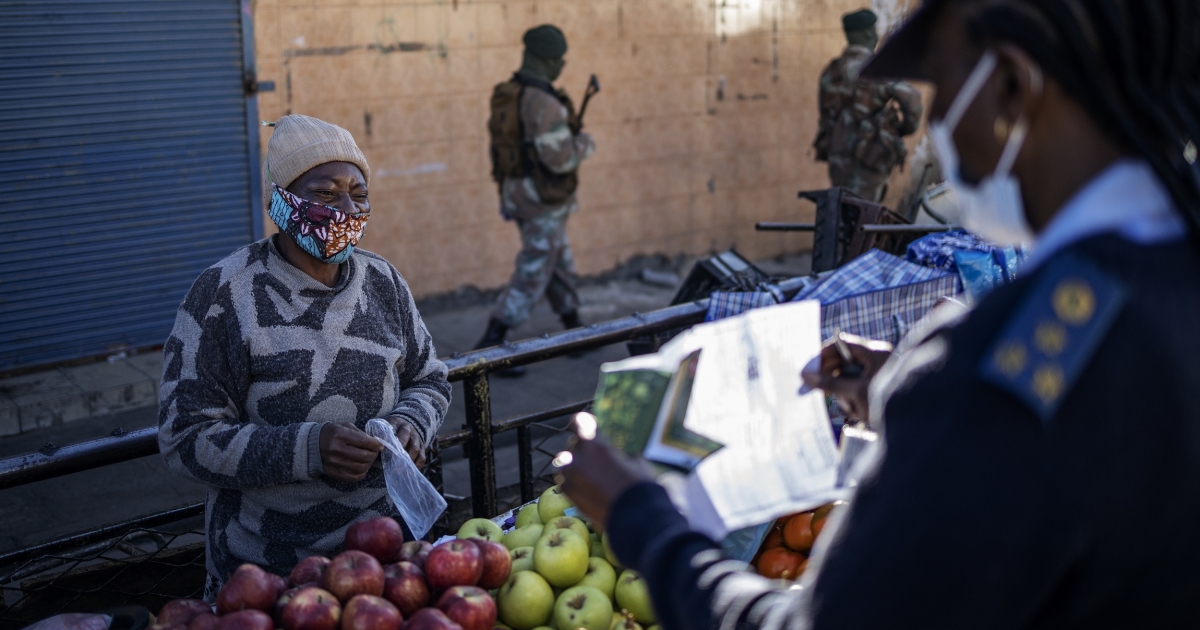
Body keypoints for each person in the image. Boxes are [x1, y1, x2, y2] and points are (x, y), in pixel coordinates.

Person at [559, 0, 1200, 627]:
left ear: (1012, 84)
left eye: (941, 89)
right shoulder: (1159, 277)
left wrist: (643, 520)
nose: (936, 123)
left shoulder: (1001, 360)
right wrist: (900, 389)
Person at [157, 115, 452, 596]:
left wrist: (412, 424)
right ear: (280, 198)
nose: (346, 209)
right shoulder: (224, 294)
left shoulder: (383, 281)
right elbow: (184, 437)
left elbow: (429, 378)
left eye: (358, 193)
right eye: (325, 193)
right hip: (265, 576)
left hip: (386, 559)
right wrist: (309, 449)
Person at [476, 24, 596, 375]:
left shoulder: (512, 93)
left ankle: (573, 327)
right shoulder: (545, 103)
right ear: (546, 60)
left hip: (518, 190)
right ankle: (491, 344)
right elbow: (559, 158)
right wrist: (585, 143)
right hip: (543, 197)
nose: (562, 65)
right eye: (559, 59)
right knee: (535, 266)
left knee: (558, 258)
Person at [813, 9, 924, 202]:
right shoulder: (877, 67)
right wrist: (904, 129)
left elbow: (825, 115)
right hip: (871, 157)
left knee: (841, 208)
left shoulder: (830, 71)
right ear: (867, 34)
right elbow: (913, 99)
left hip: (838, 157)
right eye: (874, 30)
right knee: (866, 213)